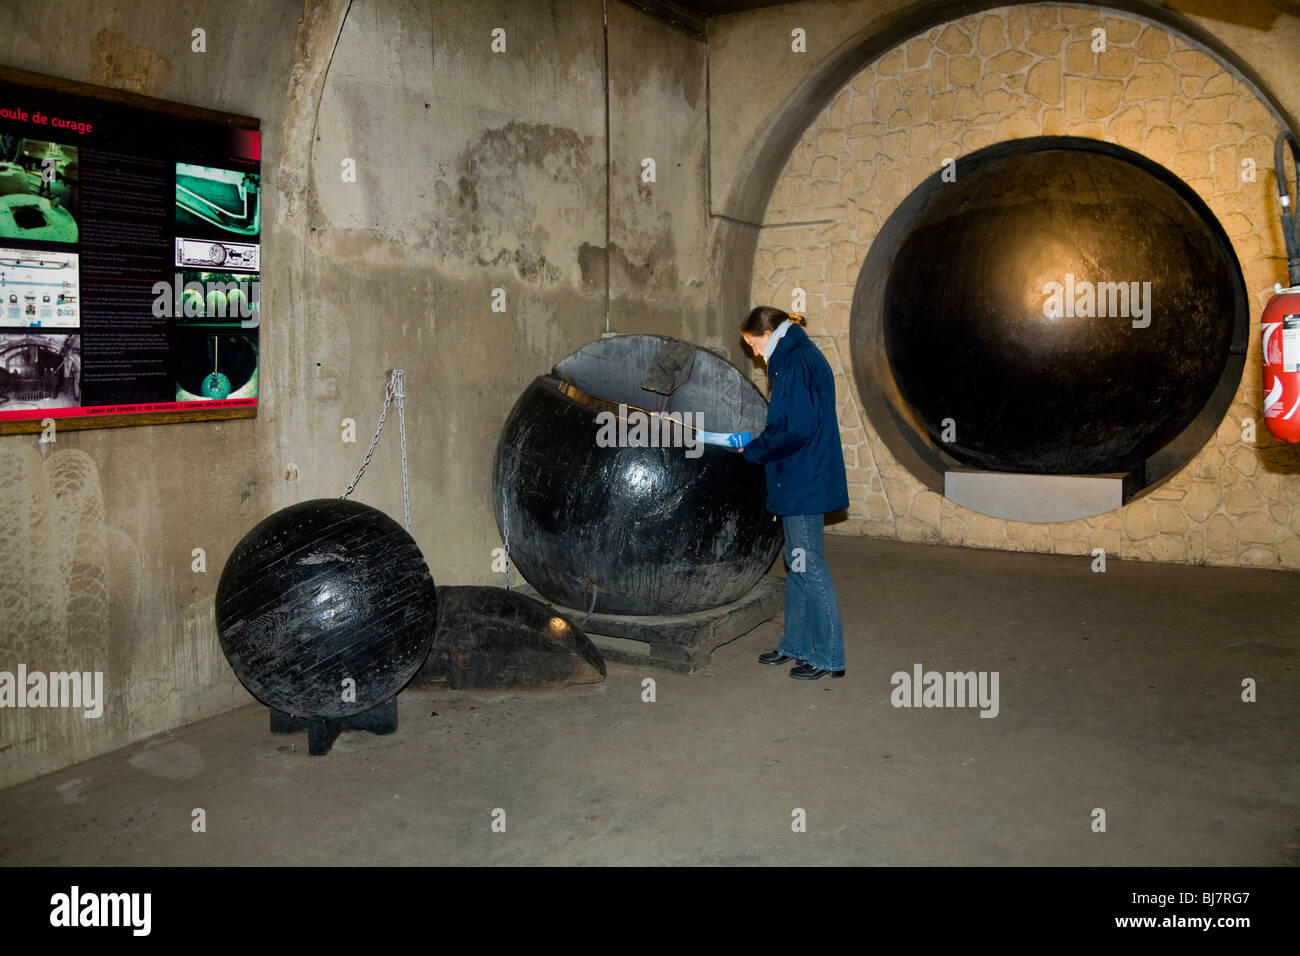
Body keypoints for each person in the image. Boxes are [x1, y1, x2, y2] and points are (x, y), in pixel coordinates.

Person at [739, 306, 849, 679]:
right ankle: (797, 644)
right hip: (799, 478)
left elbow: (795, 429)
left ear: (769, 334)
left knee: (809, 564)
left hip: (803, 480)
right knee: (798, 564)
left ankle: (829, 656)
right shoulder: (794, 357)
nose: (754, 353)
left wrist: (753, 451)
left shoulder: (797, 362)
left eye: (753, 344)